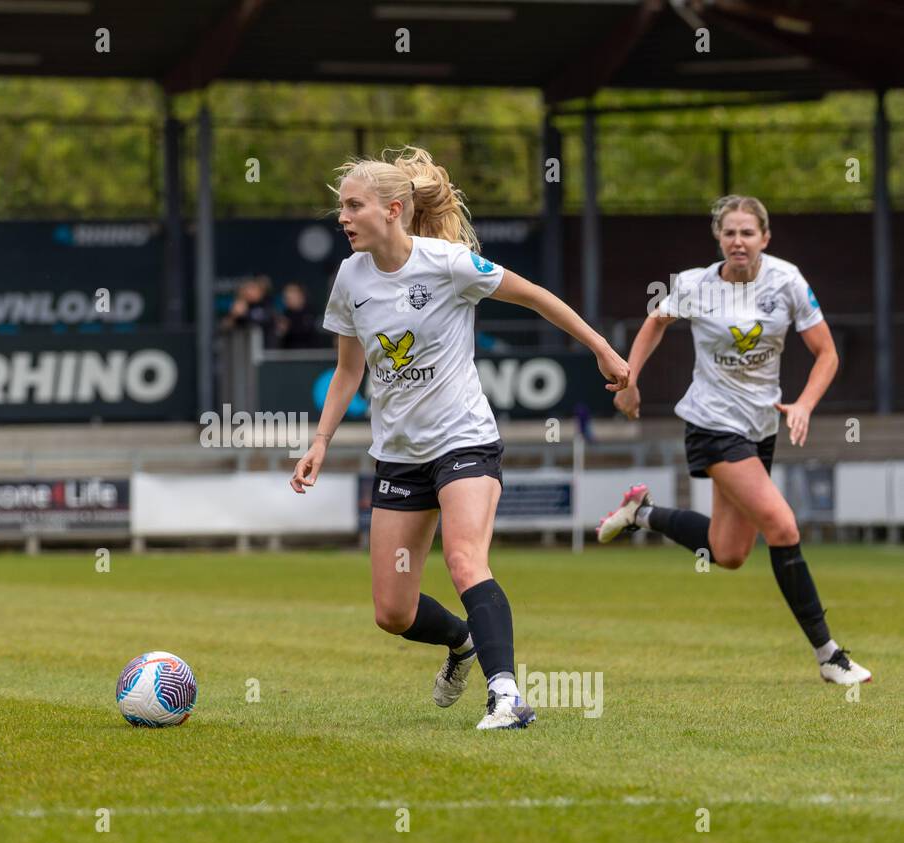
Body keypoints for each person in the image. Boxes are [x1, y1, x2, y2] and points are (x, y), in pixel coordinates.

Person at [291, 146, 629, 729]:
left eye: (352, 205)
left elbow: (537, 297)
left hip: (464, 441)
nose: (341, 218)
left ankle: (506, 697)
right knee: (392, 612)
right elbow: (349, 369)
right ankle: (463, 644)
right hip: (398, 457)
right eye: (340, 207)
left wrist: (601, 348)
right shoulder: (349, 277)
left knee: (466, 558)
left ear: (393, 209)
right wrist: (321, 439)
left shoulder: (448, 263)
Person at [597, 194, 870, 686]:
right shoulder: (694, 284)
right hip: (711, 424)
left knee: (728, 553)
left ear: (765, 238)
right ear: (718, 239)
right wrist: (630, 379)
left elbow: (826, 353)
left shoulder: (787, 281)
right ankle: (829, 655)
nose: (738, 241)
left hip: (760, 428)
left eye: (748, 232)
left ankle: (641, 513)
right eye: (730, 233)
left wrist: (804, 404)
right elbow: (655, 322)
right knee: (783, 527)